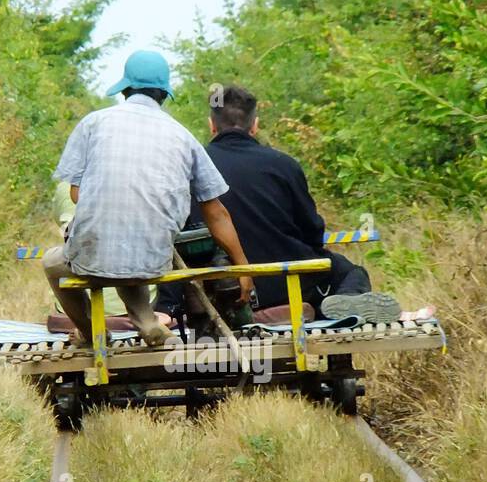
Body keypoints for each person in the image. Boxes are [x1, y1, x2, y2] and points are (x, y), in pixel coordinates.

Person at [44, 51, 252, 347]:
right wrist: (243, 269)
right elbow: (217, 213)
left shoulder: (93, 123)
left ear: (124, 89)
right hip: (154, 261)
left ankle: (93, 334)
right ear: (164, 95)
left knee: (53, 262)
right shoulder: (182, 136)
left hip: (95, 258)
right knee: (131, 258)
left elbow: (76, 195)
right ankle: (148, 323)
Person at [160, 84, 400, 324]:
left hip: (216, 292)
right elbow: (313, 233)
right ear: (255, 125)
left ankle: (165, 312)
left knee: (175, 278)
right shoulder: (284, 165)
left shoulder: (190, 168)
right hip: (287, 286)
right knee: (348, 270)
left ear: (212, 125)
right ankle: (339, 307)